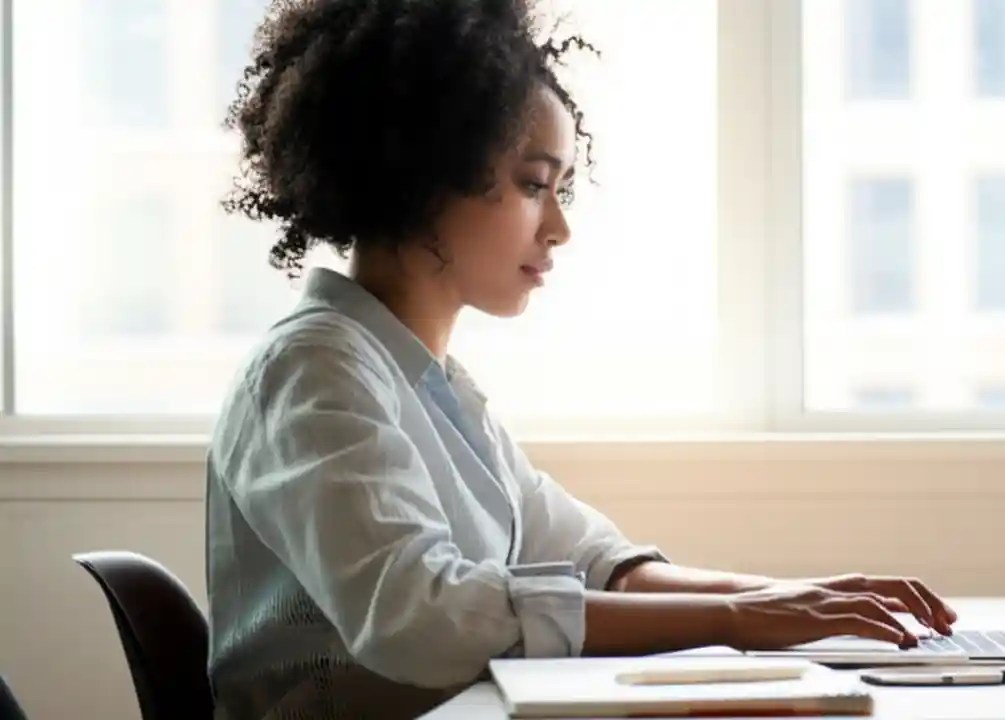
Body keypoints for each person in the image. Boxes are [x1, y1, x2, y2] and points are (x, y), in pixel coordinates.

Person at [205, 0, 958, 717]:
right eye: (535, 185)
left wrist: (795, 603)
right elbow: (423, 619)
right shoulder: (312, 372)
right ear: (422, 176)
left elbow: (596, 562)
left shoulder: (429, 386)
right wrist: (744, 617)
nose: (559, 227)